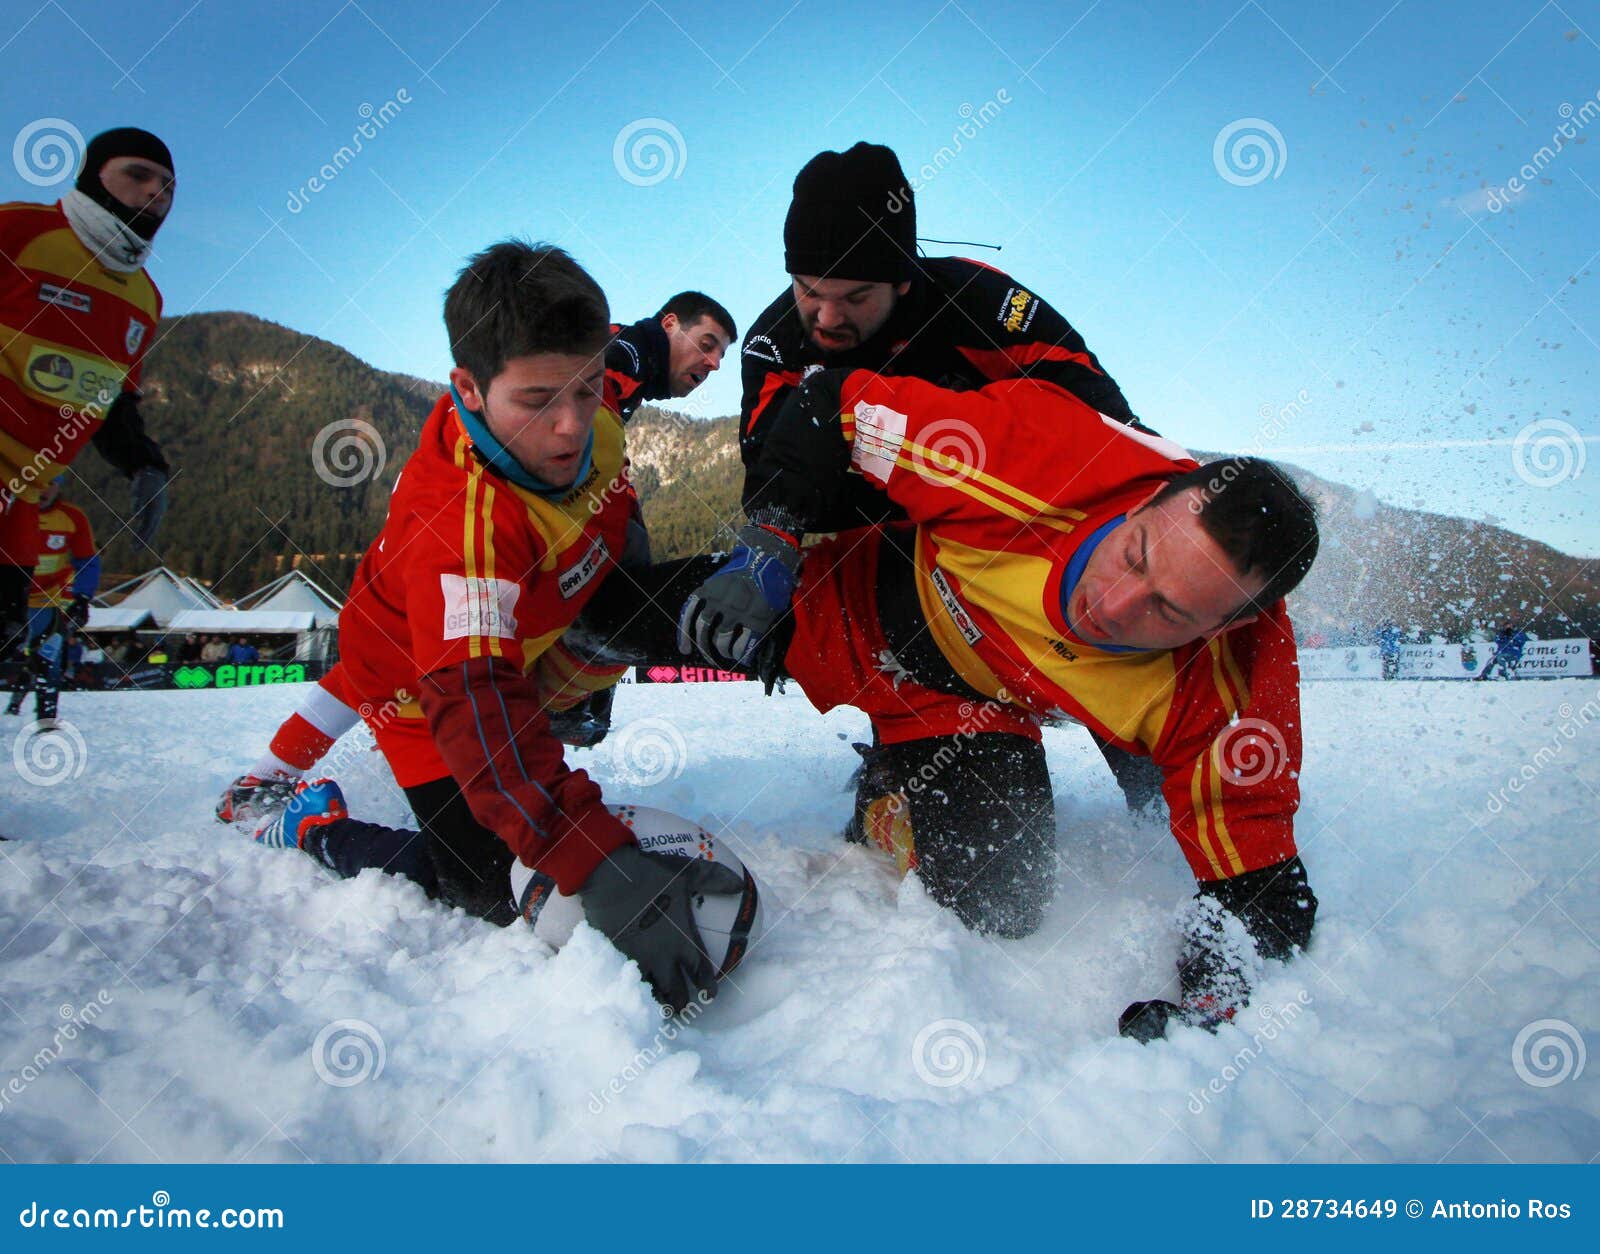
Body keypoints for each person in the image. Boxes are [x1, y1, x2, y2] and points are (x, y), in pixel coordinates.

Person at [579, 368, 1322, 1039]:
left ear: (1224, 628)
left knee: (1001, 908)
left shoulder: (1232, 691)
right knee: (592, 619)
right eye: (1135, 555)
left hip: (960, 712)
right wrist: (768, 544)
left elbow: (1261, 890)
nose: (1114, 604)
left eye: (1167, 611)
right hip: (842, 601)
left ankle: (891, 785)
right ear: (1143, 503)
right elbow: (829, 404)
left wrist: (1207, 1012)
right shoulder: (1036, 453)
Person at [250, 240, 746, 1013]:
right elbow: (473, 701)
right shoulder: (459, 529)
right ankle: (315, 827)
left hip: (524, 635)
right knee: (487, 887)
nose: (570, 427)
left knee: (683, 602)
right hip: (421, 693)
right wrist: (590, 857)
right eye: (538, 401)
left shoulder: (596, 427)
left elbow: (612, 531)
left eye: (588, 390)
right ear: (469, 390)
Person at [736, 141, 1164, 812]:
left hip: (1018, 542)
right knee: (993, 855)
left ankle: (1155, 787)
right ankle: (902, 755)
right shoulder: (776, 342)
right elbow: (774, 484)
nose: (826, 317)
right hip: (898, 578)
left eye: (854, 297)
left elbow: (1114, 435)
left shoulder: (981, 304)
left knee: (1115, 596)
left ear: (904, 280)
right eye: (808, 291)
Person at [2, 128, 175, 683]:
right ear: (93, 175)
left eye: (167, 186)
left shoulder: (144, 297)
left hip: (22, 503)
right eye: (138, 175)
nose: (155, 193)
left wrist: (144, 464)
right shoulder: (20, 230)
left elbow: (115, 401)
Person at [4, 477, 98, 725]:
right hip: (8, 600)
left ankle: (46, 720)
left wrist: (82, 598)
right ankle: (15, 705)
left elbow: (88, 561)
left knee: (47, 661)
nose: (43, 489)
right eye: (37, 483)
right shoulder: (8, 510)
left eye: (50, 482)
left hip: (45, 604)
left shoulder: (72, 518)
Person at [606, 292, 737, 422]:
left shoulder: (637, 374)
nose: (715, 364)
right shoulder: (622, 361)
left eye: (720, 357)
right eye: (706, 345)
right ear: (669, 325)